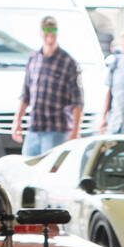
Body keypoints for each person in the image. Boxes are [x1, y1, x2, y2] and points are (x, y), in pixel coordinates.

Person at [12, 15, 83, 157]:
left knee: (50, 172)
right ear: (41, 34)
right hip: (34, 127)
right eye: (46, 35)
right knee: (28, 167)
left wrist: (75, 130)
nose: (50, 39)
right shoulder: (34, 59)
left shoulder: (68, 62)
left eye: (53, 35)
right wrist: (17, 121)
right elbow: (25, 94)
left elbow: (78, 100)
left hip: (57, 129)